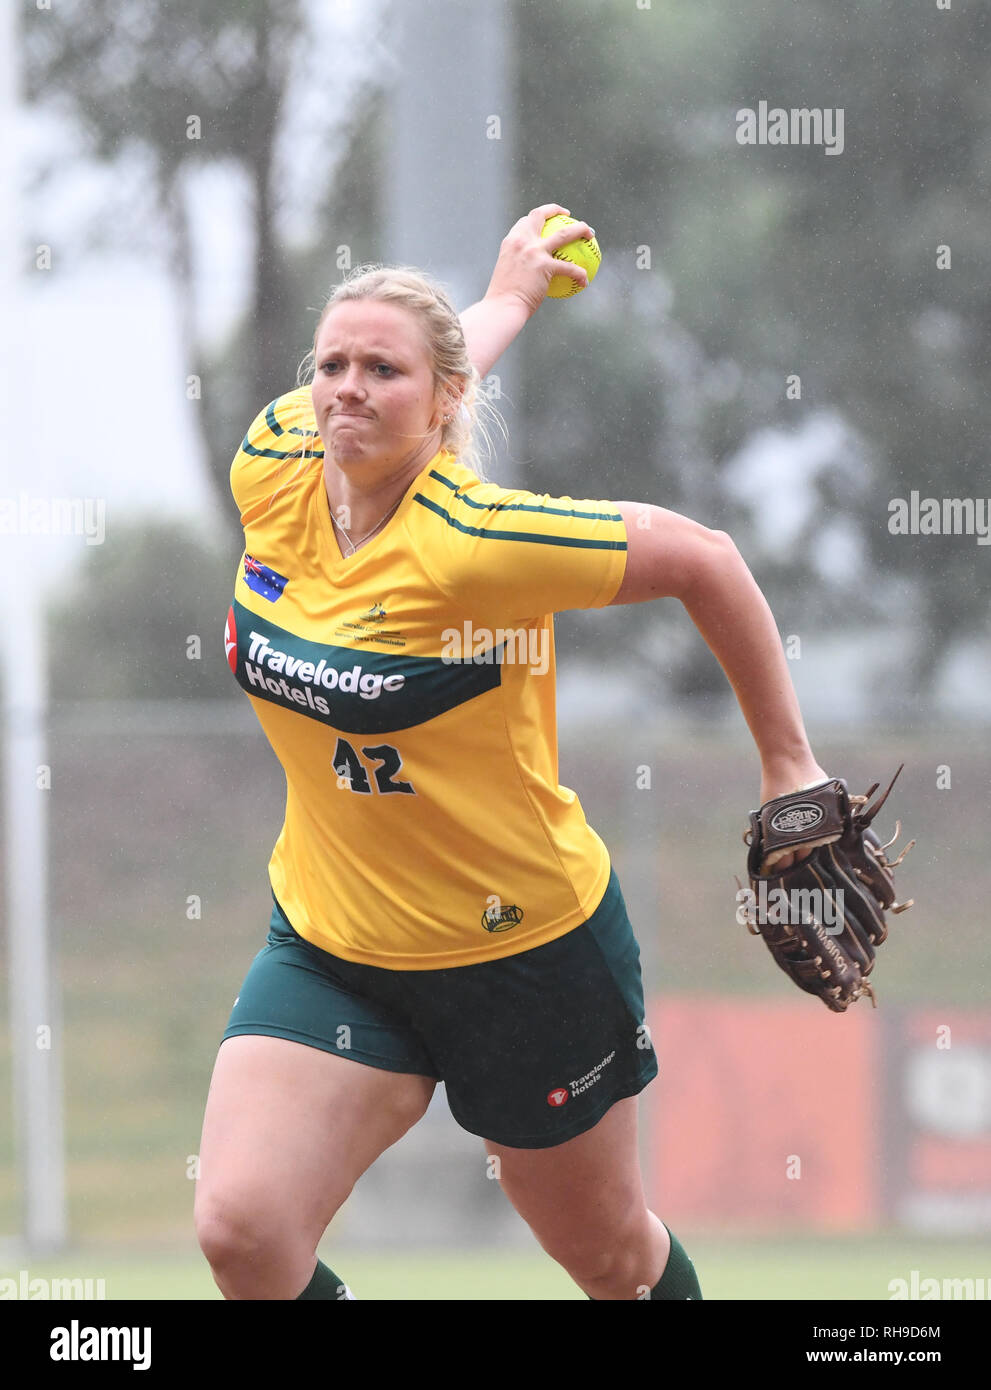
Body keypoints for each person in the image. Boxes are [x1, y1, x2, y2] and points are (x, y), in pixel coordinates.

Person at [194, 203, 827, 1301]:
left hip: (522, 951)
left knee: (607, 1256)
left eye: (380, 371)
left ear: (443, 408)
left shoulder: (476, 545)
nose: (347, 386)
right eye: (331, 363)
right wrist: (508, 299)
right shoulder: (273, 459)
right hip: (336, 941)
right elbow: (421, 369)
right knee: (243, 1231)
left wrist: (789, 766)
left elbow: (704, 557)